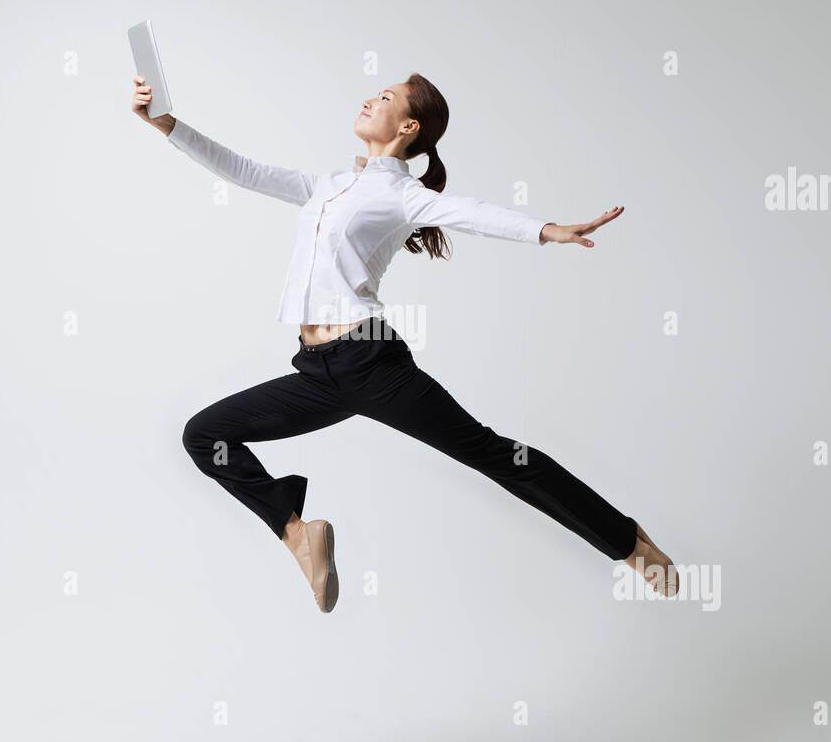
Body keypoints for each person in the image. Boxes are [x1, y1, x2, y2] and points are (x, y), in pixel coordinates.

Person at [132, 72, 678, 612]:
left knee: (495, 455)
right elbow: (242, 169)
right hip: (316, 372)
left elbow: (476, 214)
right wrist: (166, 125)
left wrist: (548, 229)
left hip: (372, 364)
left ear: (408, 127)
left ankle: (628, 543)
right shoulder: (326, 185)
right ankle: (299, 533)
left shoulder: (403, 195)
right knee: (205, 435)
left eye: (385, 98)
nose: (369, 99)